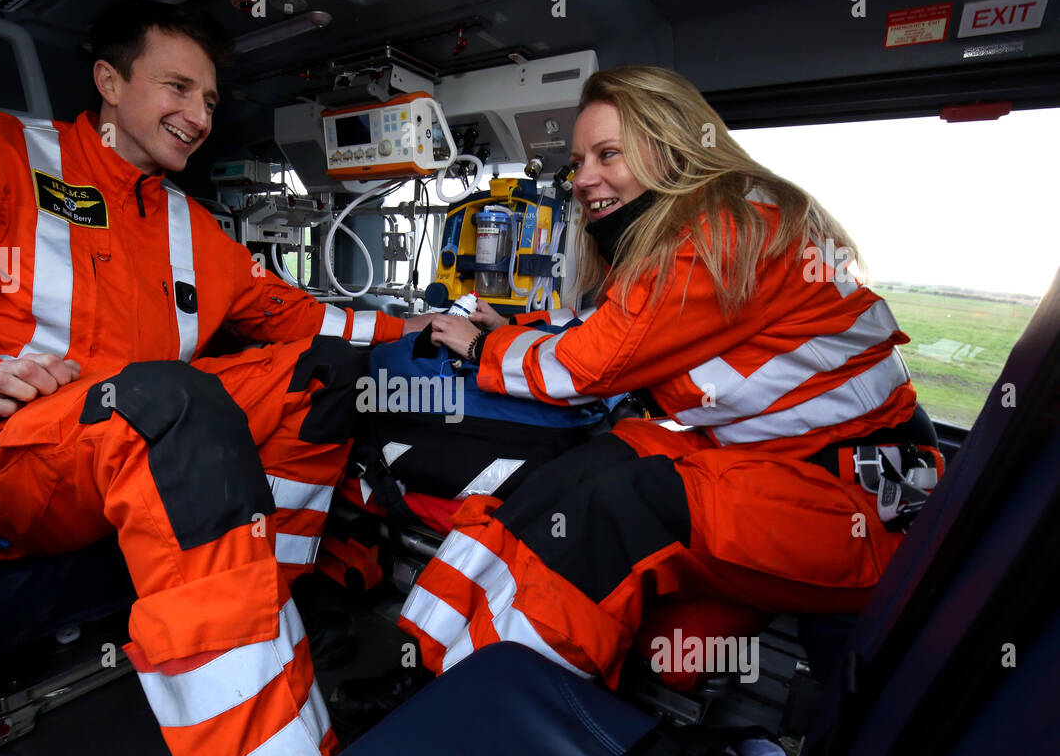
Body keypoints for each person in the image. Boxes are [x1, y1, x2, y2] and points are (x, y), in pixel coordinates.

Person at [0, 0, 431, 756]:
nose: (199, 116)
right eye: (178, 87)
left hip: (131, 435)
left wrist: (420, 327)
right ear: (109, 81)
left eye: (210, 100)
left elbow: (296, 315)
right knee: (174, 399)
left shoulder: (187, 221)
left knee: (322, 374)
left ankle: (274, 616)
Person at [398, 64, 942, 687]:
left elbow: (586, 363)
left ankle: (487, 698)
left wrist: (480, 349)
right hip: (793, 468)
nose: (584, 180)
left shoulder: (727, 232)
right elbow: (606, 321)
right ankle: (434, 658)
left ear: (673, 148)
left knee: (620, 501)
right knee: (607, 459)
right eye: (579, 162)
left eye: (609, 155)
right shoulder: (705, 226)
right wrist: (508, 325)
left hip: (865, 505)